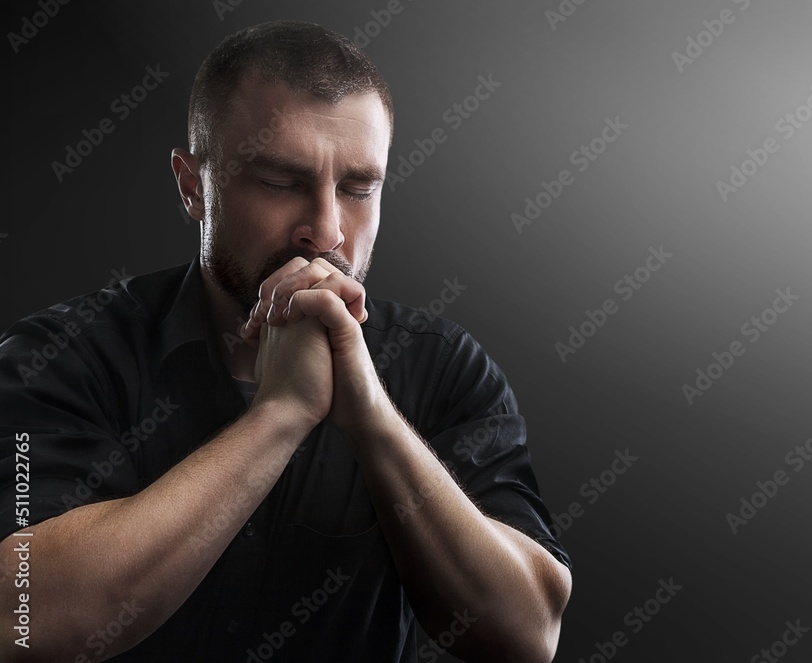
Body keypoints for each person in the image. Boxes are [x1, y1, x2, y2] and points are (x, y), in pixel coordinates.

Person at [0, 21, 571, 662]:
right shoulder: (61, 355)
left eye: (359, 189)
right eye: (278, 182)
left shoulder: (443, 366)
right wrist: (281, 414)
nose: (325, 232)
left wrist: (376, 422)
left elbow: (529, 635)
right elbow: (22, 617)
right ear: (193, 185)